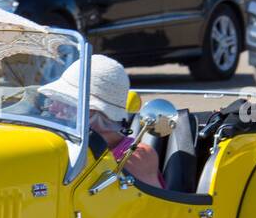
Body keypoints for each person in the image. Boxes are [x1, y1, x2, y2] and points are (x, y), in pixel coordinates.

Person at [39, 54, 164, 188]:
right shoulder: (64, 143)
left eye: (63, 101)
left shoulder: (138, 156)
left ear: (91, 111)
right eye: (53, 100)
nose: (51, 107)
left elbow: (154, 207)